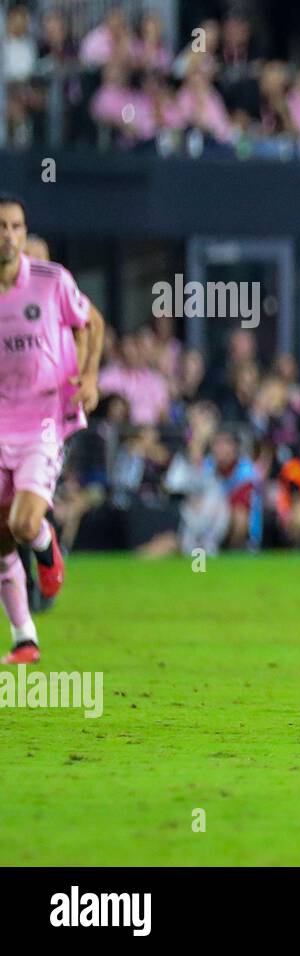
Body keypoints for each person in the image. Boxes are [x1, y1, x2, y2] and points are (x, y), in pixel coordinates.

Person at [0, 195, 98, 664]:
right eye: (2, 226)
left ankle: (45, 545)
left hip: (41, 420)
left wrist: (88, 376)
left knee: (22, 522)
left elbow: (90, 322)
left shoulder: (50, 280)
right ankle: (25, 638)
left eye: (15, 226)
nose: (8, 235)